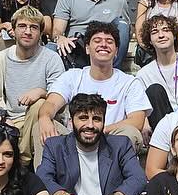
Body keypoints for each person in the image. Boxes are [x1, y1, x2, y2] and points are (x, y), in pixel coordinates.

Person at [0, 6, 68, 166]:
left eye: (34, 27)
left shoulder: (51, 59)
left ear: (40, 32)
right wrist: (2, 119)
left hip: (44, 119)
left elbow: (60, 97)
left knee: (39, 104)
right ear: (13, 29)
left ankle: (22, 159)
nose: (28, 32)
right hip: (11, 120)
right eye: (22, 26)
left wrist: (41, 92)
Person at [57, 22, 150, 153]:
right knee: (41, 122)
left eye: (109, 41)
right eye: (97, 40)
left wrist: (100, 130)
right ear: (87, 48)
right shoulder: (72, 76)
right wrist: (44, 118)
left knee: (130, 132)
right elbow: (51, 103)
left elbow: (137, 120)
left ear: (116, 51)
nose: (104, 44)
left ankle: (114, 173)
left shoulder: (129, 82)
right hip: (74, 141)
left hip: (111, 141)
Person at [135, 13, 178, 128]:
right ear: (149, 40)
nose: (161, 35)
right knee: (155, 90)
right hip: (162, 124)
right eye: (155, 32)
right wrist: (144, 122)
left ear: (174, 35)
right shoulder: (143, 74)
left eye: (166, 30)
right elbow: (139, 106)